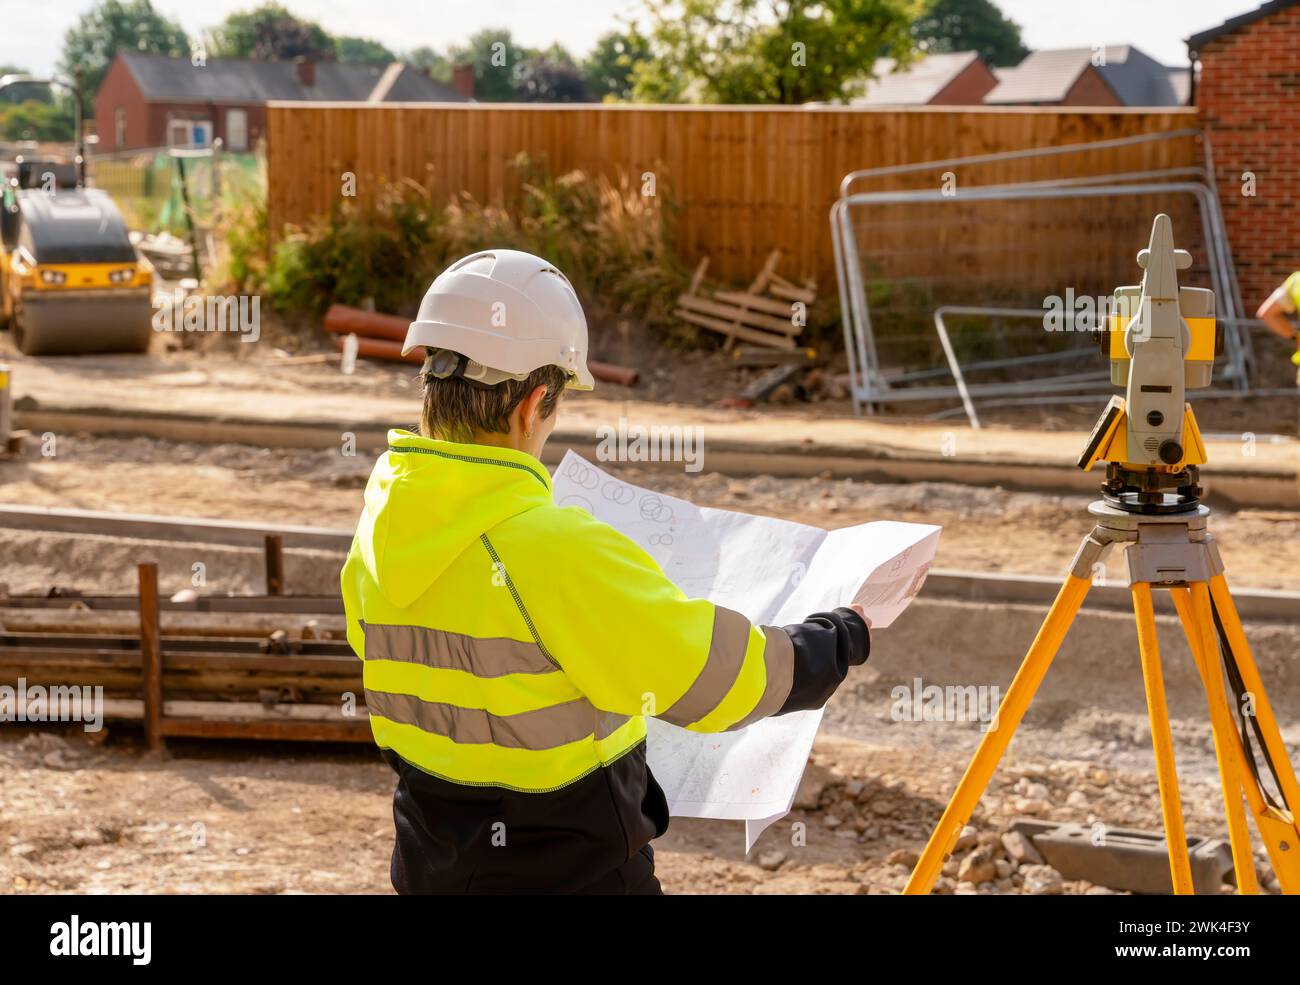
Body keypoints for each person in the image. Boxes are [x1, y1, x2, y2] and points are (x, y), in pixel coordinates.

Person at [341, 249, 871, 895]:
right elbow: (712, 676)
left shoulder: (379, 526)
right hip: (572, 875)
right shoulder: (554, 548)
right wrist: (835, 639)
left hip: (431, 867)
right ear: (534, 402)